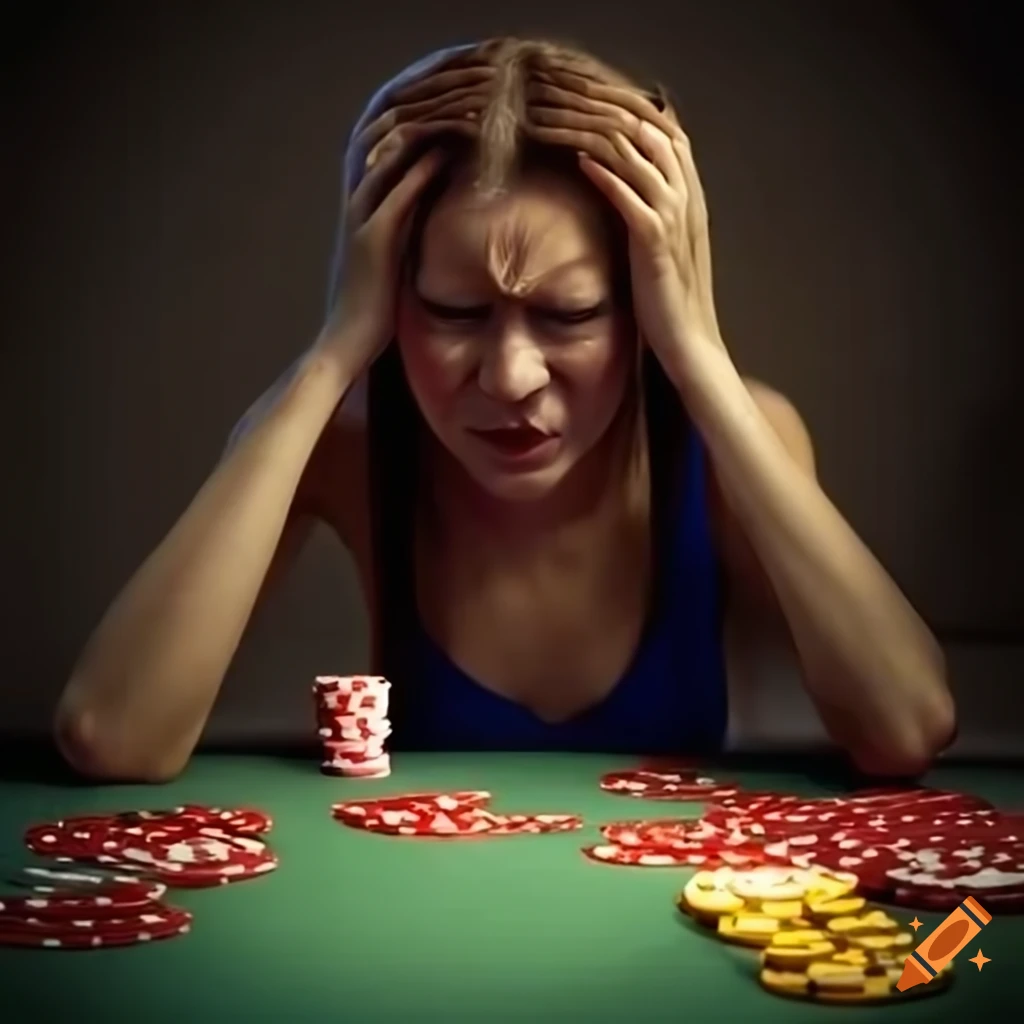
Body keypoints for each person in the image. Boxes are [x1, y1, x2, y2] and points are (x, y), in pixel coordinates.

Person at [53, 38, 956, 782]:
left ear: (643, 306)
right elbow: (113, 736)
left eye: (571, 314)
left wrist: (696, 351)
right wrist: (334, 350)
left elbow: (907, 726)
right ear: (392, 297)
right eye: (454, 312)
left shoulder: (732, 440)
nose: (511, 377)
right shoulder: (348, 440)